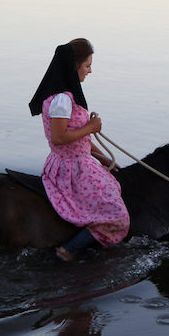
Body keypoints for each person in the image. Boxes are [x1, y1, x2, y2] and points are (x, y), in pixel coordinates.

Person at [28, 39, 130, 261]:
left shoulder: (65, 96)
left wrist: (103, 158)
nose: (90, 71)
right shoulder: (62, 100)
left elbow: (77, 139)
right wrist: (90, 128)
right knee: (117, 216)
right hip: (71, 168)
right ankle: (69, 250)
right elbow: (58, 137)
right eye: (87, 66)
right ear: (74, 67)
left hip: (77, 160)